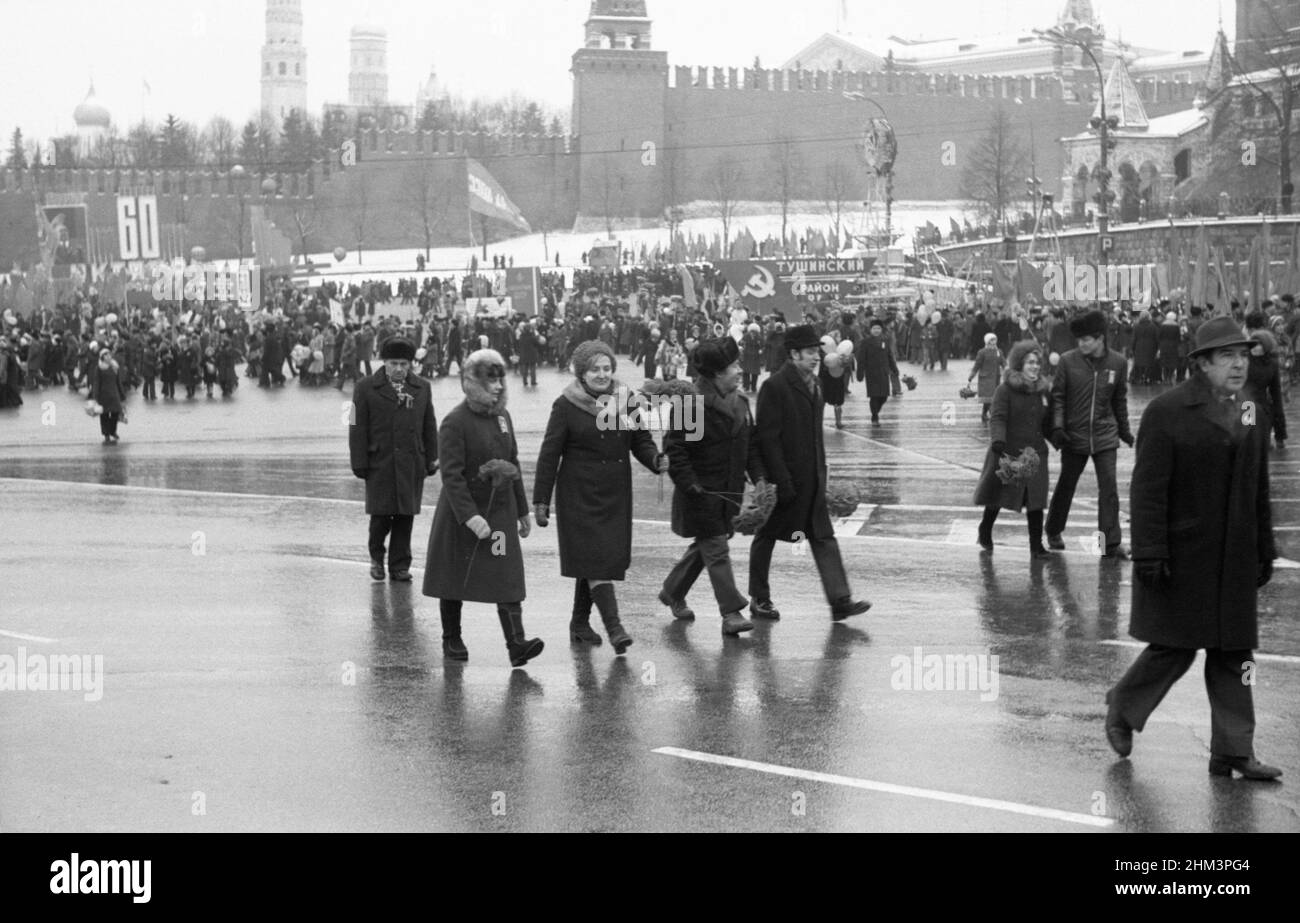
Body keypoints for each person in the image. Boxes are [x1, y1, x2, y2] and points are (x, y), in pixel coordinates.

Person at [1104, 317, 1281, 780]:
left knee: (1237, 656)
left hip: (1236, 555)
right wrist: (1148, 551)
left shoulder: (1249, 411)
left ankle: (1233, 749)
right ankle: (1123, 707)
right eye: (1227, 356)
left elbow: (1256, 485)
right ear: (1202, 363)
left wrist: (1265, 546)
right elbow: (1148, 488)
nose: (1239, 364)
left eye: (1243, 355)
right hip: (1185, 553)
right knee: (1174, 647)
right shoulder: (1169, 411)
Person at [532, 340, 666, 655]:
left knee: (595, 558)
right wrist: (541, 500)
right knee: (595, 559)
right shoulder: (565, 405)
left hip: (615, 492)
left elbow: (641, 439)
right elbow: (550, 454)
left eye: (606, 368)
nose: (602, 375)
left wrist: (656, 460)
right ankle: (615, 627)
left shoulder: (625, 400)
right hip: (578, 493)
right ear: (582, 373)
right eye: (595, 369)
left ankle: (579, 622)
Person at [423, 349, 542, 667]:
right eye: (490, 380)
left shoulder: (504, 418)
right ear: (472, 382)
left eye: (500, 379)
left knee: (507, 574)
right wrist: (470, 516)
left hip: (500, 511)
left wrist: (521, 509)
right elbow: (452, 476)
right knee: (455, 576)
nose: (498, 386)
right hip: (464, 516)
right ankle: (452, 637)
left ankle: (516, 643)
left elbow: (512, 462)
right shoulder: (454, 422)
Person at [749, 325, 872, 622]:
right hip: (786, 479)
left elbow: (827, 411)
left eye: (817, 351)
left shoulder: (814, 384)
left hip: (813, 476)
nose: (816, 357)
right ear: (793, 354)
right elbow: (767, 438)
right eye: (809, 352)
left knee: (823, 536)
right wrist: (779, 480)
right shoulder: (775, 386)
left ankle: (840, 600)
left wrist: (838, 372)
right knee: (766, 535)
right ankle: (759, 598)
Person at [658, 337, 767, 636]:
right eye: (734, 366)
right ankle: (731, 612)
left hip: (728, 493)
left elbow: (751, 447)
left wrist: (758, 478)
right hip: (700, 494)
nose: (739, 370)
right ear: (717, 373)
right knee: (716, 549)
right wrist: (690, 485)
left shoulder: (741, 402)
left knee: (707, 546)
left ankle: (672, 591)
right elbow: (675, 450)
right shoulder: (689, 405)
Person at [1045, 309, 1134, 557]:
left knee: (1109, 490)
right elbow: (1059, 397)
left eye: (1086, 339)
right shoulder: (1067, 361)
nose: (1081, 344)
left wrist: (1125, 432)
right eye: (1079, 340)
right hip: (1074, 435)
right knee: (1066, 485)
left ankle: (1109, 544)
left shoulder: (1118, 362)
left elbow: (1120, 401)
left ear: (1100, 339)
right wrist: (1059, 428)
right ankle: (1053, 529)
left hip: (1106, 435)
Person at [349, 337, 439, 583]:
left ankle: (400, 565)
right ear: (384, 363)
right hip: (380, 461)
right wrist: (358, 460)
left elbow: (429, 424)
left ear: (410, 365)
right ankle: (376, 558)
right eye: (393, 363)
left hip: (411, 462)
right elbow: (355, 425)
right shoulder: (364, 387)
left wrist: (432, 456)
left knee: (405, 516)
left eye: (404, 364)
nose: (399, 369)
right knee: (380, 516)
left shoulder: (422, 387)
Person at [973, 341, 1052, 558]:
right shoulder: (1005, 389)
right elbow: (997, 417)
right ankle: (985, 528)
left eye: (1037, 363)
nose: (1035, 367)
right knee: (998, 496)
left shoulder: (1042, 391)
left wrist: (1059, 437)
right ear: (1019, 364)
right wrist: (998, 440)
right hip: (1008, 451)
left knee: (1035, 499)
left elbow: (1047, 423)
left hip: (1035, 453)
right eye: (1030, 362)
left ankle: (1036, 546)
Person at [1246, 327, 1287, 450]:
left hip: (1263, 401)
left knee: (1274, 410)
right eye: (1253, 344)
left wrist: (1280, 435)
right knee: (1249, 439)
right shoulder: (1245, 360)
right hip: (1246, 401)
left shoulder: (1272, 364)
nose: (1255, 347)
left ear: (1266, 346)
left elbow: (1276, 392)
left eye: (1259, 344)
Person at [856, 318, 898, 425]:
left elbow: (889, 356)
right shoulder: (865, 342)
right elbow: (861, 359)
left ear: (881, 329)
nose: (876, 330)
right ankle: (875, 416)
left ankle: (876, 411)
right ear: (870, 330)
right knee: (874, 396)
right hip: (871, 373)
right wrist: (860, 373)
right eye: (874, 328)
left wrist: (894, 369)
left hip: (883, 373)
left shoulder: (885, 340)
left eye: (878, 328)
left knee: (883, 396)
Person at [88, 348, 127, 445]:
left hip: (114, 395)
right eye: (105, 355)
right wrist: (95, 396)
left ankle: (113, 431)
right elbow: (96, 383)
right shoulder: (99, 368)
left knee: (115, 414)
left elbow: (118, 382)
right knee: (104, 416)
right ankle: (106, 435)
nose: (108, 356)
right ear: (102, 357)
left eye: (109, 354)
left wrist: (122, 394)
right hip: (103, 396)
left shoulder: (114, 366)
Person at [968, 333, 1003, 423]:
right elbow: (977, 365)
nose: (994, 342)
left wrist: (1008, 371)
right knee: (989, 398)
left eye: (995, 340)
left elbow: (1004, 363)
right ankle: (992, 415)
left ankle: (984, 413)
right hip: (986, 378)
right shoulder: (982, 352)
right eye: (991, 340)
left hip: (996, 378)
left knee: (992, 398)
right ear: (987, 341)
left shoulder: (999, 351)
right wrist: (971, 376)